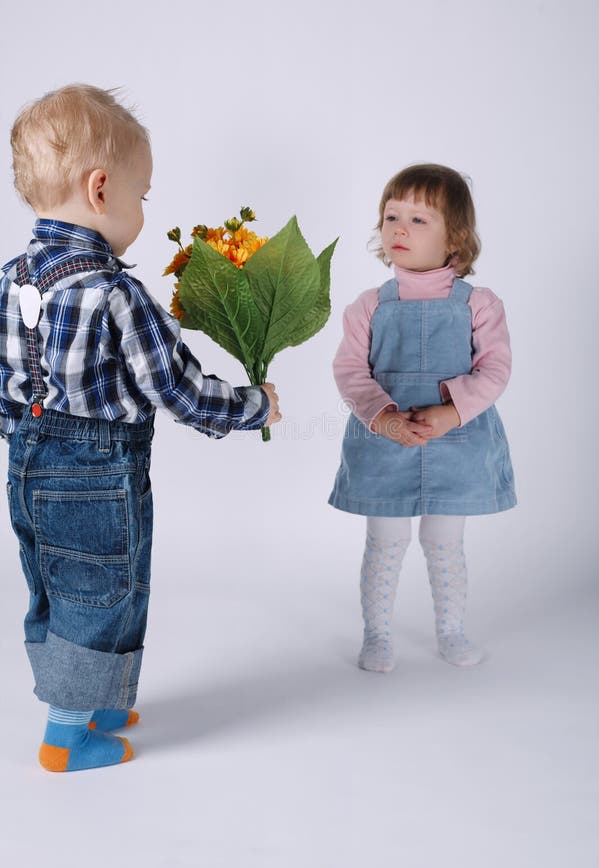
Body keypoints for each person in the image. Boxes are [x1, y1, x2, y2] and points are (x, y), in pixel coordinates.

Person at [1, 84, 281, 771]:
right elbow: (181, 391)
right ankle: (67, 738)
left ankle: (96, 698)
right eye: (142, 195)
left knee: (57, 584)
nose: (143, 210)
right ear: (100, 190)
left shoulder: (8, 279)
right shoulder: (116, 293)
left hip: (26, 465)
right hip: (97, 474)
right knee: (104, 591)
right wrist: (254, 404)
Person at [329, 163, 515, 672]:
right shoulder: (368, 306)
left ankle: (451, 630)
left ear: (455, 237)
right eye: (392, 216)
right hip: (386, 441)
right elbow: (349, 371)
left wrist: (452, 412)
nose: (400, 229)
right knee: (385, 543)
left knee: (444, 542)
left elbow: (495, 369)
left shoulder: (479, 304)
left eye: (418, 219)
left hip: (457, 442)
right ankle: (378, 634)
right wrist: (383, 416)